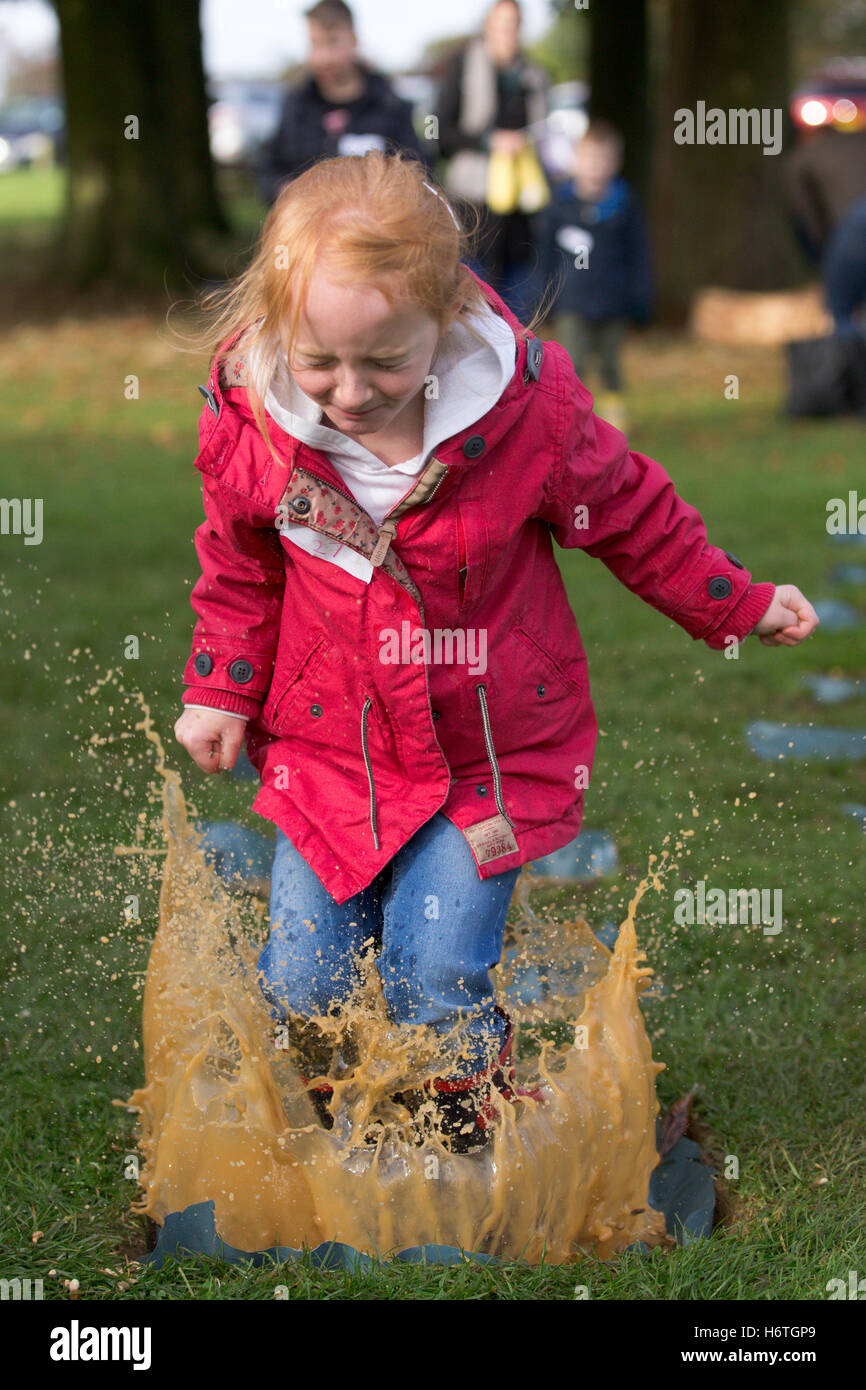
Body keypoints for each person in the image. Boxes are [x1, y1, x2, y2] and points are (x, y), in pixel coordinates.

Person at [174, 150, 818, 1153]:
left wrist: (735, 603)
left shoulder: (525, 417)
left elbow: (634, 518)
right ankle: (344, 1127)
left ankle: (459, 1136)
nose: (349, 392)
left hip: (485, 751)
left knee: (433, 975)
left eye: (384, 362)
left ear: (445, 321)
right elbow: (238, 570)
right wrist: (219, 687)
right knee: (304, 981)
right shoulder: (254, 425)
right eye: (319, 361)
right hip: (326, 750)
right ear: (272, 327)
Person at [534, 119, 652, 431]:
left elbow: (638, 254)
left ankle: (614, 416)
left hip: (613, 300)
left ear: (616, 163)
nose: (595, 167)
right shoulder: (559, 206)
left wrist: (640, 296)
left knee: (611, 362)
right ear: (575, 160)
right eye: (588, 159)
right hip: (572, 301)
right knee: (573, 364)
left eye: (603, 159)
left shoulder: (624, 205)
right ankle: (574, 420)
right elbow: (545, 255)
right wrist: (541, 298)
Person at [435, 0, 548, 320]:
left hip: (519, 215)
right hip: (474, 209)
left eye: (514, 24)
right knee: (473, 308)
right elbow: (441, 134)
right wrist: (490, 142)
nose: (507, 33)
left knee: (517, 308)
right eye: (501, 24)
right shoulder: (463, 66)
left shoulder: (533, 75)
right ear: (488, 27)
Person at [257, 0, 428, 205]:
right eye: (315, 43)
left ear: (353, 40)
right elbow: (269, 169)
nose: (324, 57)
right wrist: (285, 191)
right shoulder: (296, 106)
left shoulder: (390, 105)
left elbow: (421, 172)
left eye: (332, 42)